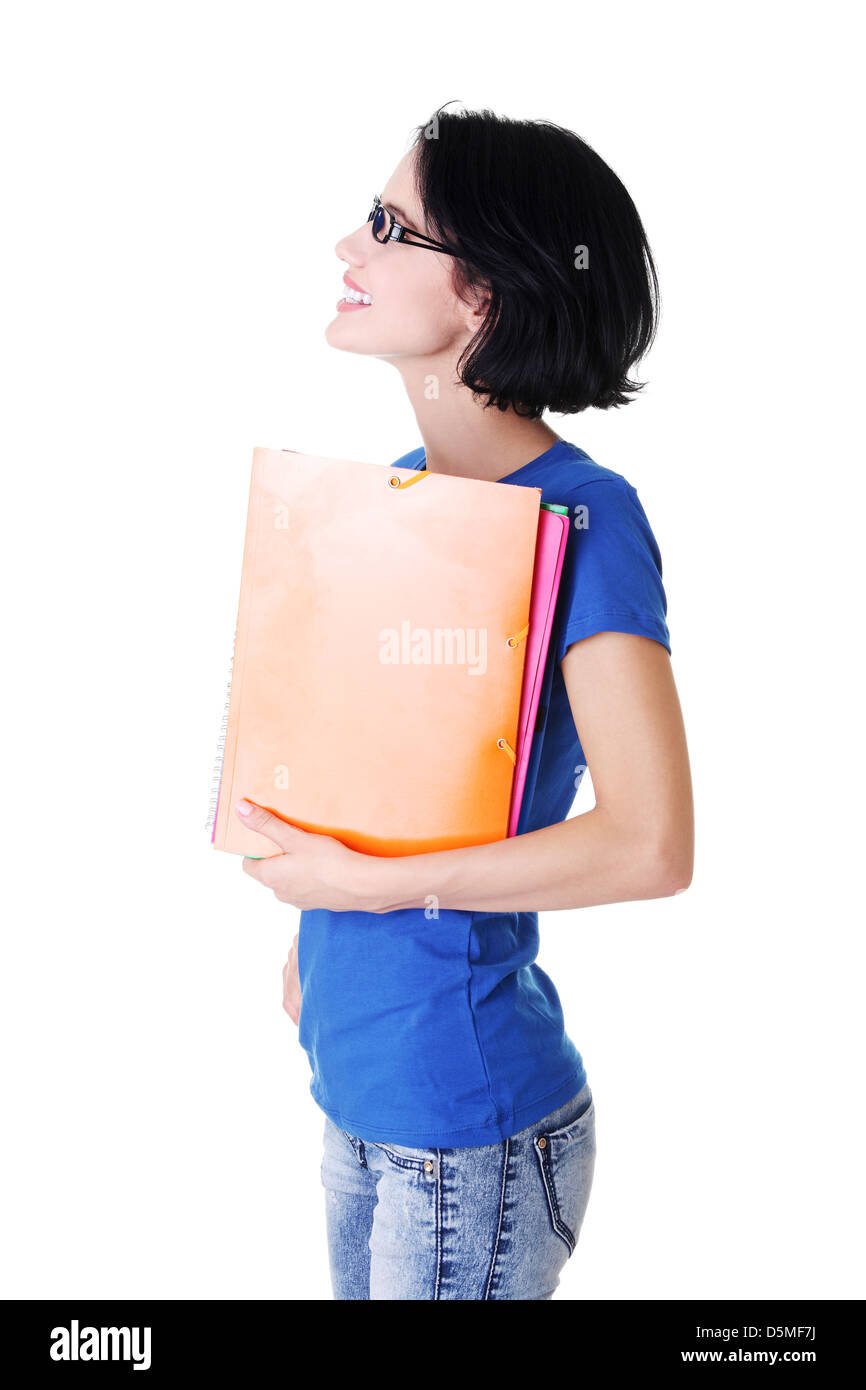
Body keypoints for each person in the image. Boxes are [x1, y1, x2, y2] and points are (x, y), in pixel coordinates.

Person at [238, 104, 694, 1300]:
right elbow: (392, 783)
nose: (350, 245)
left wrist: (371, 889)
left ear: (482, 293)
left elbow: (649, 844)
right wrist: (313, 937)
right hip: (358, 1086)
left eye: (391, 226)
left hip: (467, 1129)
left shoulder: (584, 517)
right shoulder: (393, 503)